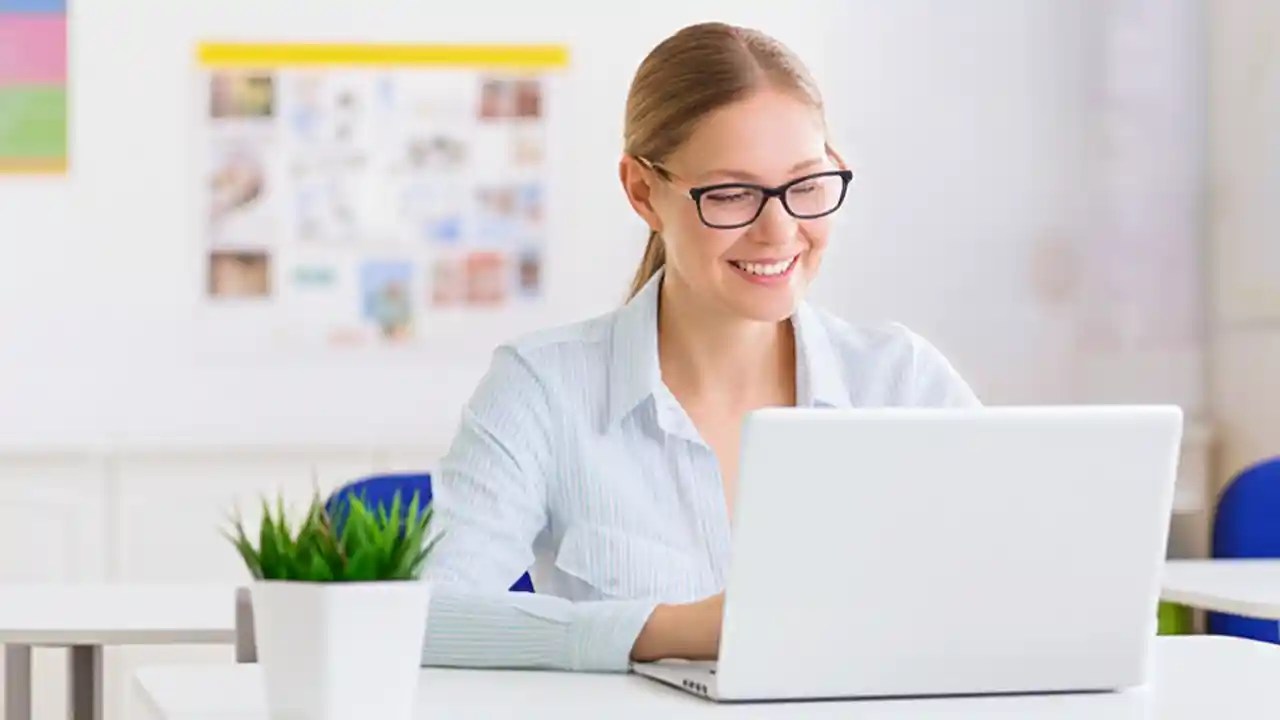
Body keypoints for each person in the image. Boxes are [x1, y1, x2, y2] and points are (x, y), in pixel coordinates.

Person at [419, 21, 980, 673]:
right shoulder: (543, 388)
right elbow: (433, 620)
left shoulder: (900, 382)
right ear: (642, 192)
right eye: (733, 194)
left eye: (806, 184)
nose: (779, 230)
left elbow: (1024, 584)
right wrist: (683, 630)